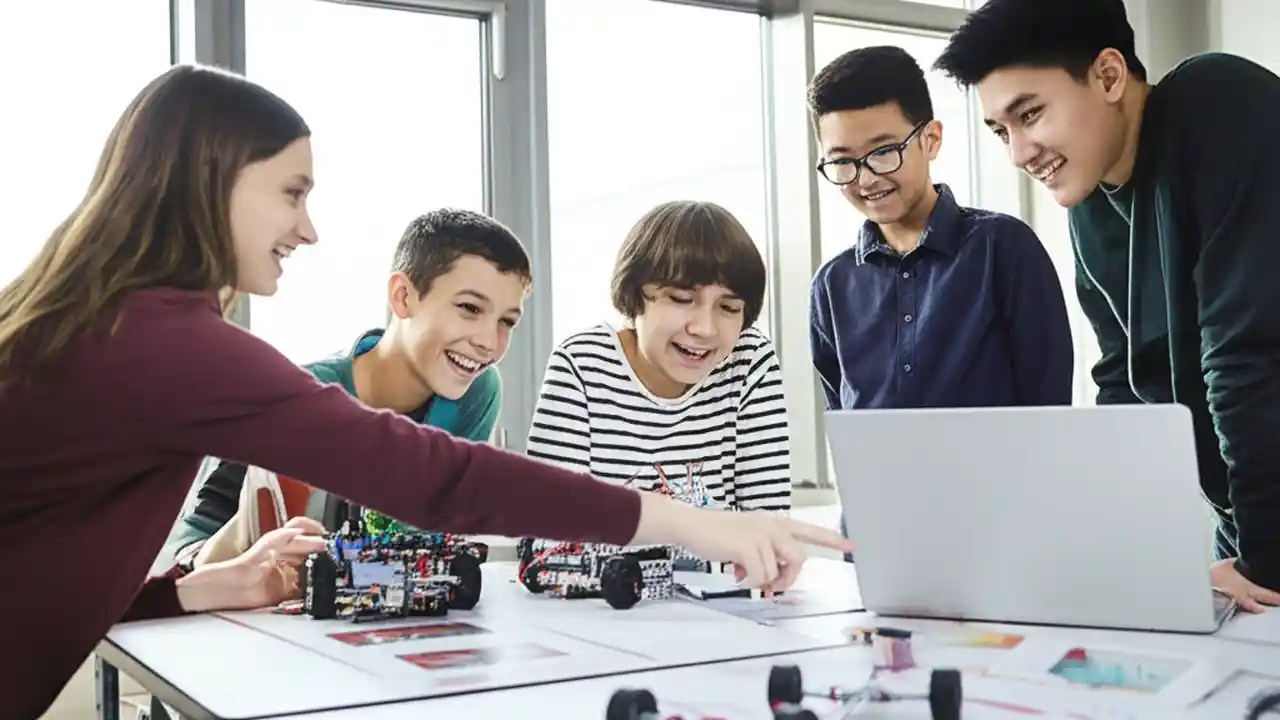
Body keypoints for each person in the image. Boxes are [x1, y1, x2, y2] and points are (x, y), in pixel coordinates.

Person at [0, 65, 851, 718]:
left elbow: (41, 562)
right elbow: (442, 478)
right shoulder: (170, 344)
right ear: (210, 180)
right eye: (291, 192)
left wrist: (184, 592)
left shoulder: (100, 322)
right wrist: (695, 522)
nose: (309, 226)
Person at [933, 0, 1280, 610]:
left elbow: (1244, 355)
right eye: (1000, 131)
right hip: (1248, 524)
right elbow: (1125, 386)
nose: (1018, 153)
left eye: (1030, 113)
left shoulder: (1218, 102)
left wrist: (1267, 562)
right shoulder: (1090, 206)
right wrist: (1131, 561)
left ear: (1110, 76)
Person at [806, 45, 1074, 558]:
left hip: (1000, 541)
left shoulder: (1003, 248)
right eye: (842, 162)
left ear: (930, 139)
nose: (866, 178)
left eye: (884, 151)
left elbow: (1047, 417)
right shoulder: (830, 285)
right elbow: (846, 433)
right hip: (876, 546)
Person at [163, 208, 527, 568]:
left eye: (506, 321)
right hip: (230, 578)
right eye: (469, 308)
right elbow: (186, 548)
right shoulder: (288, 396)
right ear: (403, 297)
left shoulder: (477, 393)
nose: (489, 344)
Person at [526, 200, 791, 513]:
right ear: (635, 294)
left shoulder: (750, 362)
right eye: (681, 299)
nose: (705, 329)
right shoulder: (582, 366)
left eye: (729, 308)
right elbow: (545, 530)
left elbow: (770, 528)